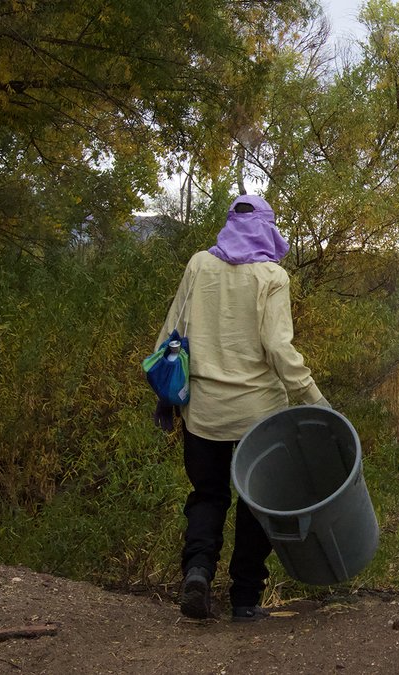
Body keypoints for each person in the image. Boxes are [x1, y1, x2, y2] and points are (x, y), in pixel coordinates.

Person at [153, 194, 330, 622]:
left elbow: (172, 332)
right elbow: (276, 346)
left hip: (205, 413)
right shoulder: (272, 275)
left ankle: (197, 572)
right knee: (256, 503)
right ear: (268, 227)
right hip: (260, 417)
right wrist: (315, 400)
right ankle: (245, 600)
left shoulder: (199, 264)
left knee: (207, 496)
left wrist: (164, 394)